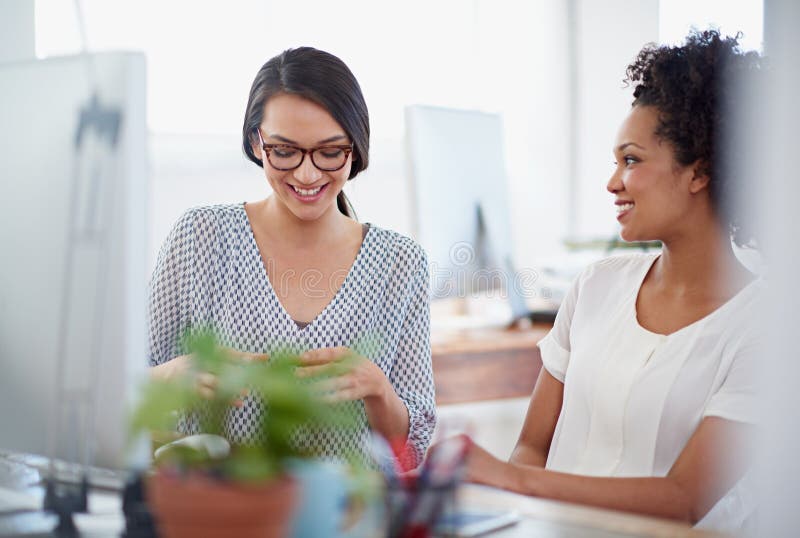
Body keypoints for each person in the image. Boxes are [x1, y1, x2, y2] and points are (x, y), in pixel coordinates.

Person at [462, 30, 764, 526]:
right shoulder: (596, 286)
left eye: (631, 160)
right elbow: (531, 448)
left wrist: (513, 480)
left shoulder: (767, 325)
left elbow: (687, 499)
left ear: (699, 173)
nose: (613, 182)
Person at [147, 47, 435, 467]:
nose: (306, 174)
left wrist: (377, 388)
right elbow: (124, 392)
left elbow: (411, 453)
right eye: (284, 151)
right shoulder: (200, 238)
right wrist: (175, 375)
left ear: (354, 148)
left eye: (330, 152)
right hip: (219, 509)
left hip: (347, 519)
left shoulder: (400, 263)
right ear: (255, 142)